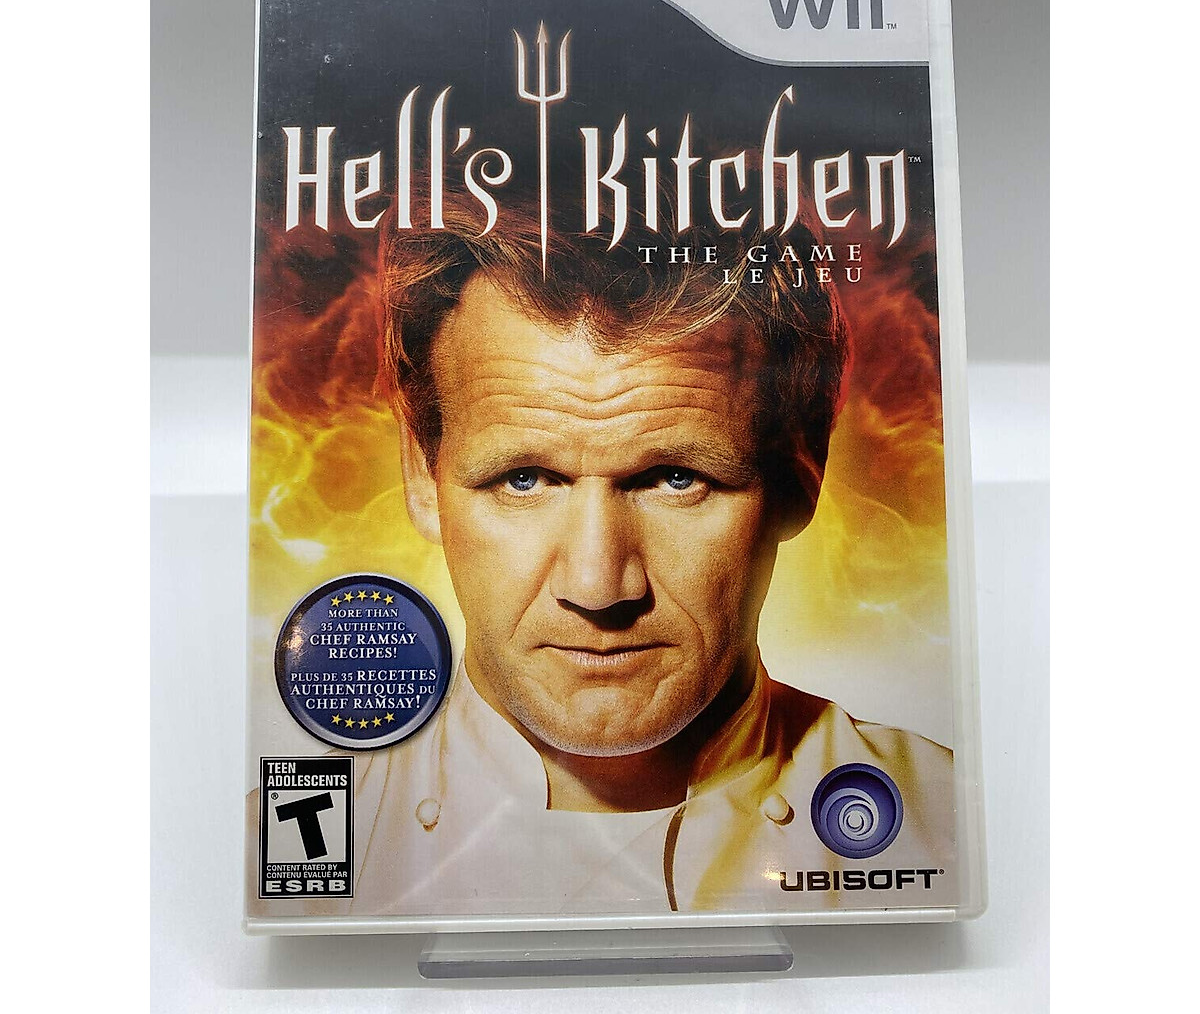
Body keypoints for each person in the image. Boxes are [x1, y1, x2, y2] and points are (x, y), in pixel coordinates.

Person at [249, 197, 955, 918]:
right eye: (524, 479)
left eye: (675, 478)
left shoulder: (948, 829)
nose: (597, 586)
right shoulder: (273, 863)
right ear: (422, 479)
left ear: (800, 478)